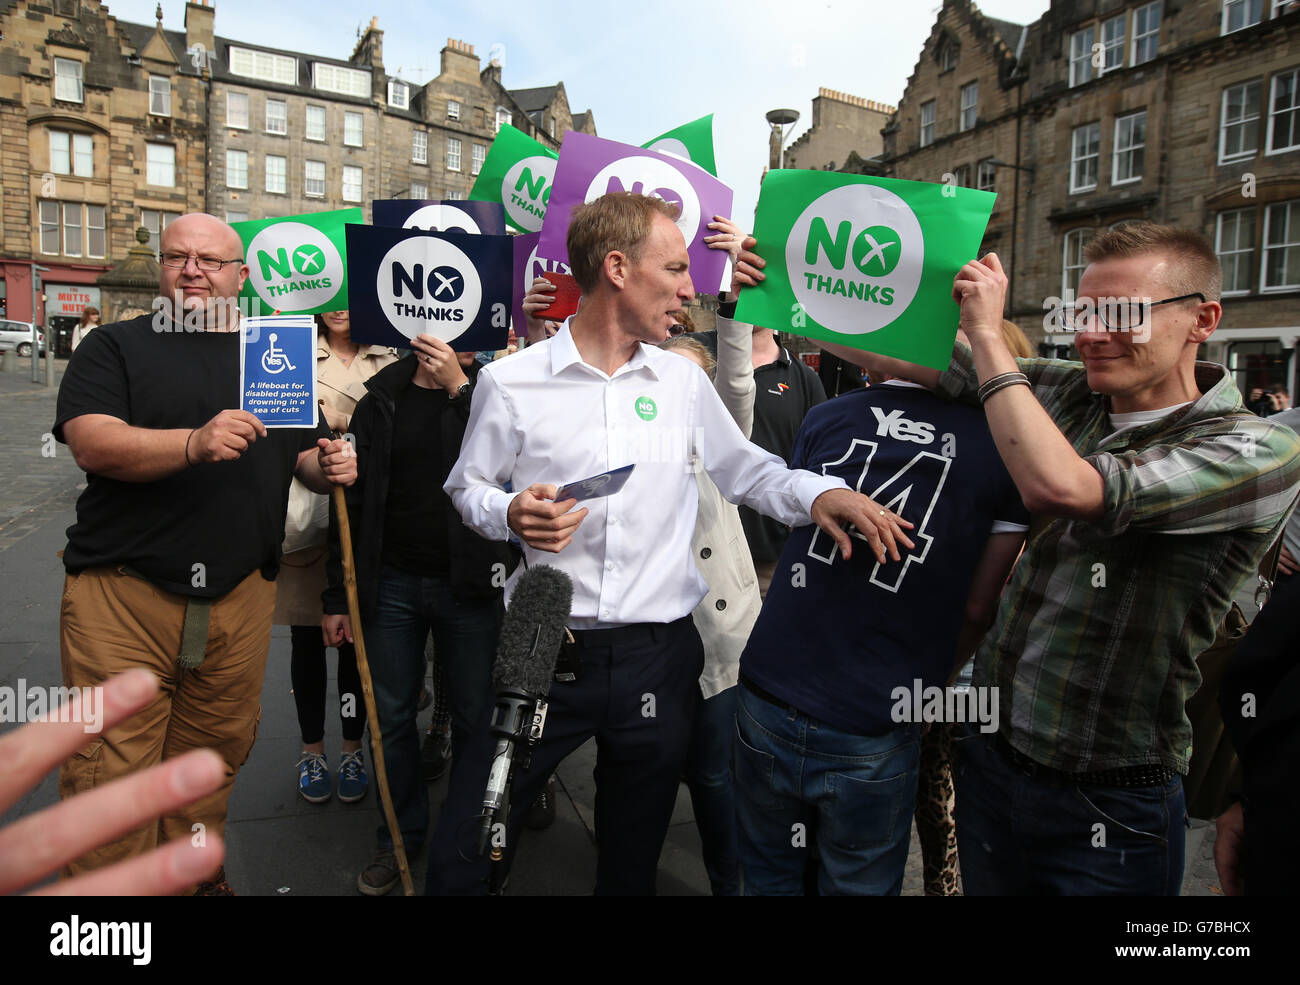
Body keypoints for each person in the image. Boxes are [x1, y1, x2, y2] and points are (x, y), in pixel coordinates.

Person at [427, 193, 913, 895]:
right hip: (543, 656)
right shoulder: (509, 382)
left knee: (631, 858)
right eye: (678, 267)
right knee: (470, 843)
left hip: (659, 659)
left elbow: (745, 469)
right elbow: (466, 489)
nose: (691, 288)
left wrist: (818, 493)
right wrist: (509, 510)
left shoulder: (682, 379)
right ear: (618, 268)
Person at [826, 222, 1300, 895]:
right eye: (1084, 311)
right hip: (992, 765)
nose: (1091, 332)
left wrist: (990, 336)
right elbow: (896, 354)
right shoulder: (1073, 390)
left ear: (1204, 319)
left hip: (1110, 801)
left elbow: (1067, 487)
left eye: (1122, 313)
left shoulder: (1255, 448)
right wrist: (775, 289)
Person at [53, 212, 357, 892]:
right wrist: (193, 442)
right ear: (161, 269)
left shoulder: (268, 351)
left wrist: (329, 461)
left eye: (210, 260)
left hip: (241, 598)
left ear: (241, 276)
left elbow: (300, 454)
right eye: (178, 257)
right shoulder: (114, 347)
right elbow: (91, 442)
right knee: (111, 765)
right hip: (125, 596)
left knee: (212, 756)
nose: (192, 269)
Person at [733, 358, 1027, 895]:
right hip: (881, 704)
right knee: (858, 882)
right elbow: (983, 608)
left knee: (768, 873)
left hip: (771, 682)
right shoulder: (1007, 449)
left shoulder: (829, 415)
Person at [322, 336, 516, 896]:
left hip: (472, 587)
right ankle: (398, 839)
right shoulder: (380, 398)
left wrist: (459, 386)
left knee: (479, 719)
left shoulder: (491, 392)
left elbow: (508, 466)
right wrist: (339, 596)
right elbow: (351, 505)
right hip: (393, 585)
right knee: (389, 717)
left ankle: (466, 843)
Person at [277, 309, 397, 805]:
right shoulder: (292, 350)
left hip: (367, 523)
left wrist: (357, 429)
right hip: (310, 521)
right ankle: (312, 750)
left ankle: (351, 750)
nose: (342, 305)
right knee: (307, 641)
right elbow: (275, 418)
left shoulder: (393, 355)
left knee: (355, 642)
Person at [0, 671, 226, 896]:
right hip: (129, 640)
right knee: (109, 791)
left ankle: (198, 885)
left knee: (206, 778)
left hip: (236, 646)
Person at [741, 321, 828, 597]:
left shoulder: (803, 378)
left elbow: (819, 459)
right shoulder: (698, 360)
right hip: (704, 547)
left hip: (770, 553)